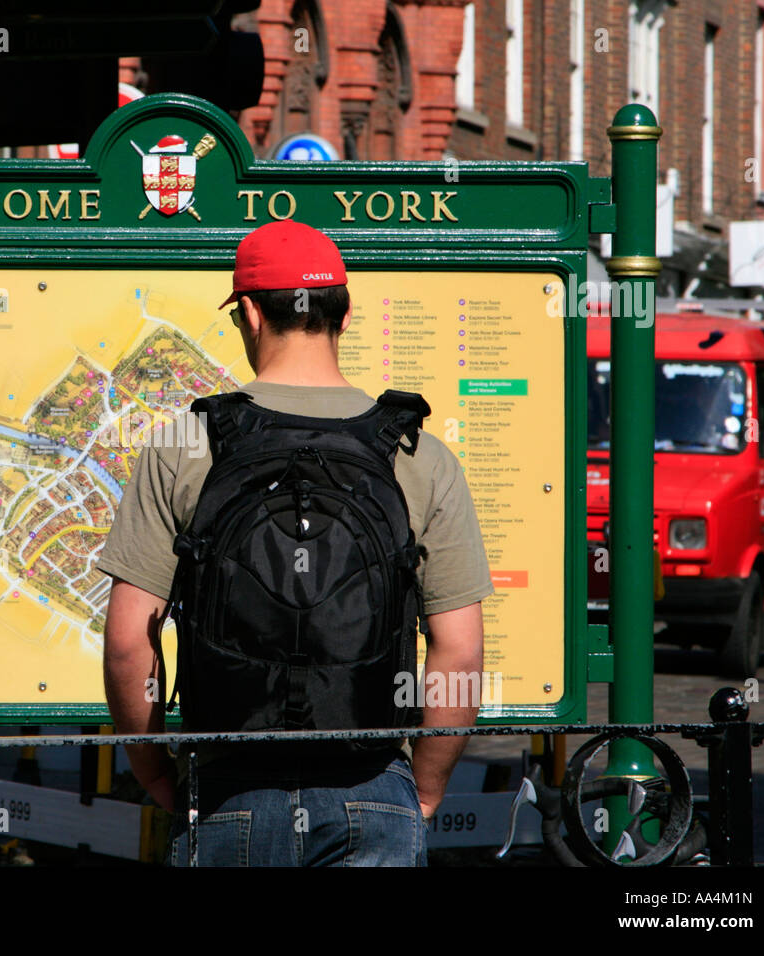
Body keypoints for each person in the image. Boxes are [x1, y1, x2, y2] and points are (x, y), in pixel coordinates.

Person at [98, 220, 493, 866]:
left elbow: (126, 645)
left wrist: (154, 772)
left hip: (229, 790)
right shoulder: (417, 453)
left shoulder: (184, 446)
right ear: (345, 312)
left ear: (250, 314)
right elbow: (458, 651)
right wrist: (423, 786)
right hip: (372, 786)